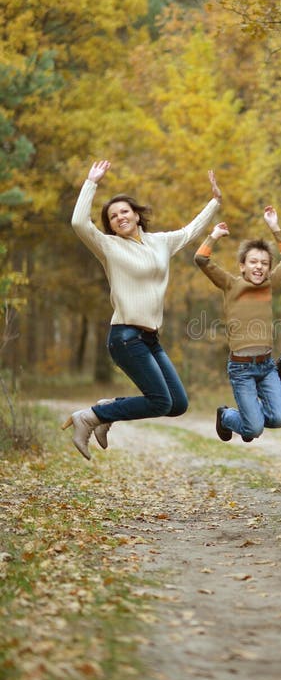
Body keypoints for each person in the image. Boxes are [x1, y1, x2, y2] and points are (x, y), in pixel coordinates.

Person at [62, 159, 221, 459]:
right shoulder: (108, 247)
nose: (119, 217)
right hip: (125, 336)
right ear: (109, 225)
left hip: (150, 338)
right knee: (160, 402)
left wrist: (215, 201)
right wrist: (91, 182)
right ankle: (91, 416)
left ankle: (107, 410)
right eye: (112, 216)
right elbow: (79, 223)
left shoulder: (160, 242)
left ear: (136, 215)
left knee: (178, 404)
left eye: (124, 211)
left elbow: (190, 231)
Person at [194, 208, 281, 442]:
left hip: (266, 366)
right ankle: (227, 416)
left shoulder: (270, 284)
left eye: (264, 263)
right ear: (242, 266)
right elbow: (201, 259)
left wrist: (275, 227)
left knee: (280, 419)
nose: (259, 267)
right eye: (253, 262)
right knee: (253, 430)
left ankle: (250, 419)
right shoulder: (231, 284)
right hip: (241, 370)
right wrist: (215, 235)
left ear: (269, 268)